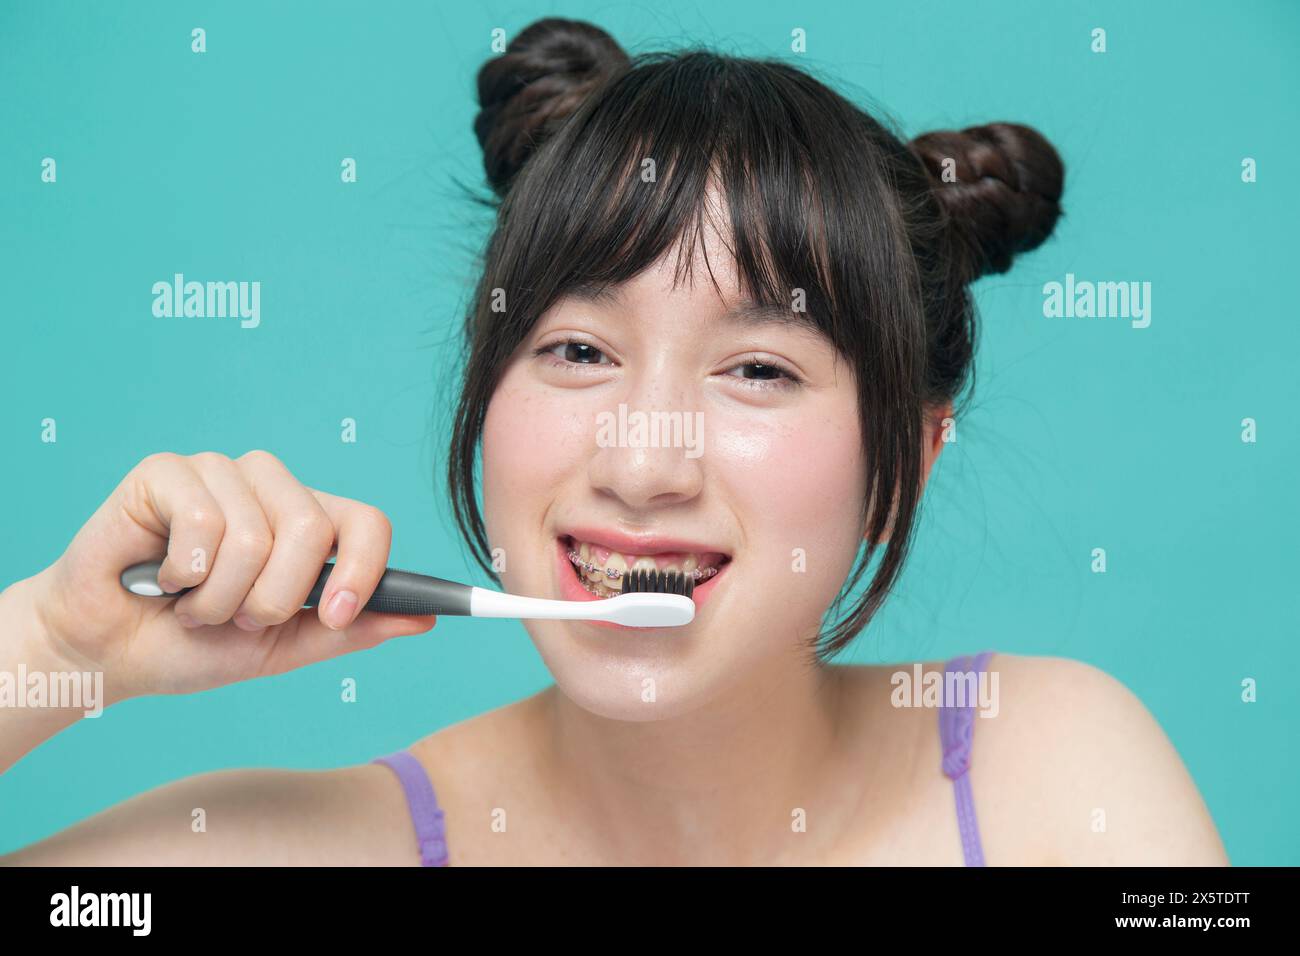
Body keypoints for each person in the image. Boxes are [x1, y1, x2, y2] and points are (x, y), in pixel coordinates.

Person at [0, 18, 1227, 866]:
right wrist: (52, 646)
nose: (642, 460)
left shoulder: (1051, 769)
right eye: (578, 351)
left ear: (904, 465)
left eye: (758, 367)